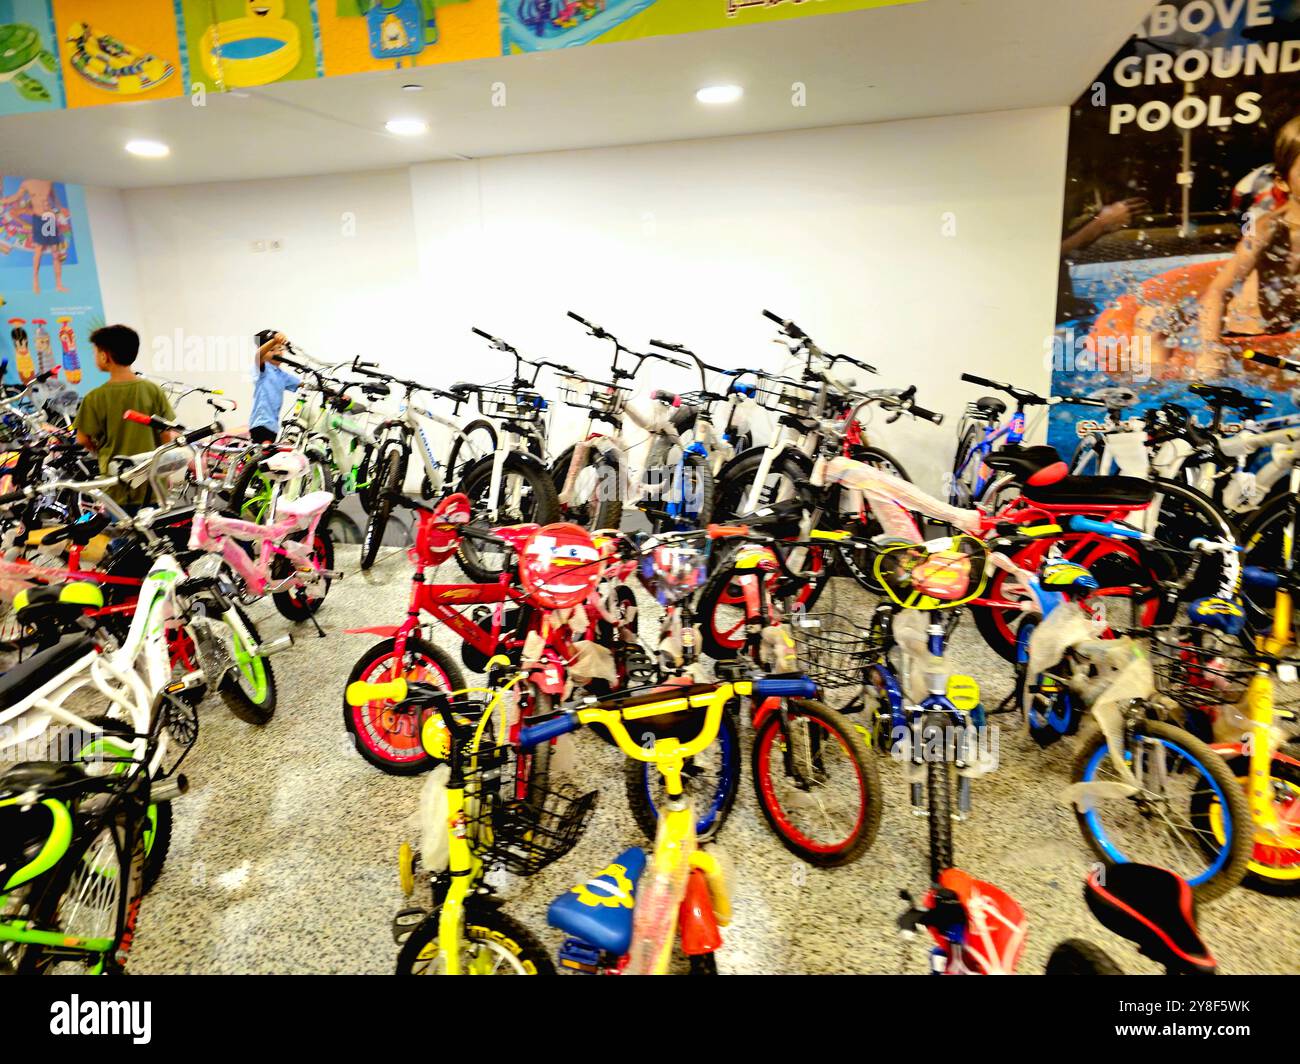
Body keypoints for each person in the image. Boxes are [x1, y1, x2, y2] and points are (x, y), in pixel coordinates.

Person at [1200, 116, 1300, 376]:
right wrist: (1210, 348)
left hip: (1286, 337)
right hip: (1243, 337)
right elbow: (1217, 291)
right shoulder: (1268, 228)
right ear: (1282, 182)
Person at [73, 324, 178, 507]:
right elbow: (166, 437)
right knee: (153, 532)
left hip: (117, 483)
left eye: (95, 352)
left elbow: (82, 439)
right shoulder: (153, 390)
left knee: (123, 530)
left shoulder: (94, 397)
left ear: (105, 356)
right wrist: (165, 472)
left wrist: (100, 451)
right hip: (151, 482)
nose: (94, 356)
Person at [0, 178, 68, 295]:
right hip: (38, 219)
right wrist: (3, 201)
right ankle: (35, 282)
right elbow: (16, 197)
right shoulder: (26, 183)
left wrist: (60, 209)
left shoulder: (48, 181)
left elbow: (54, 198)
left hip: (49, 218)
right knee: (38, 252)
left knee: (55, 253)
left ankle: (58, 284)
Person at [249, 329, 299, 446]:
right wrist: (274, 340)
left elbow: (305, 384)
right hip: (260, 424)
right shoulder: (263, 369)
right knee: (265, 454)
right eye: (271, 350)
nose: (277, 353)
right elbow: (258, 355)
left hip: (273, 427)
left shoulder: (282, 375)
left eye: (280, 349)